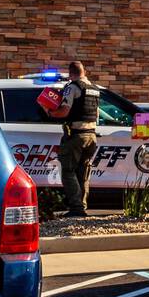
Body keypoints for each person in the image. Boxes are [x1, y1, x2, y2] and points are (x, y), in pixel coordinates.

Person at [47, 61, 100, 217]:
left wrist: (50, 113)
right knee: (83, 172)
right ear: (84, 71)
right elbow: (96, 115)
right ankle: (82, 206)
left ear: (71, 74)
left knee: (68, 171)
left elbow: (64, 112)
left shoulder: (72, 87)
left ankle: (76, 208)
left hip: (76, 135)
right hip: (91, 135)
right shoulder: (95, 89)